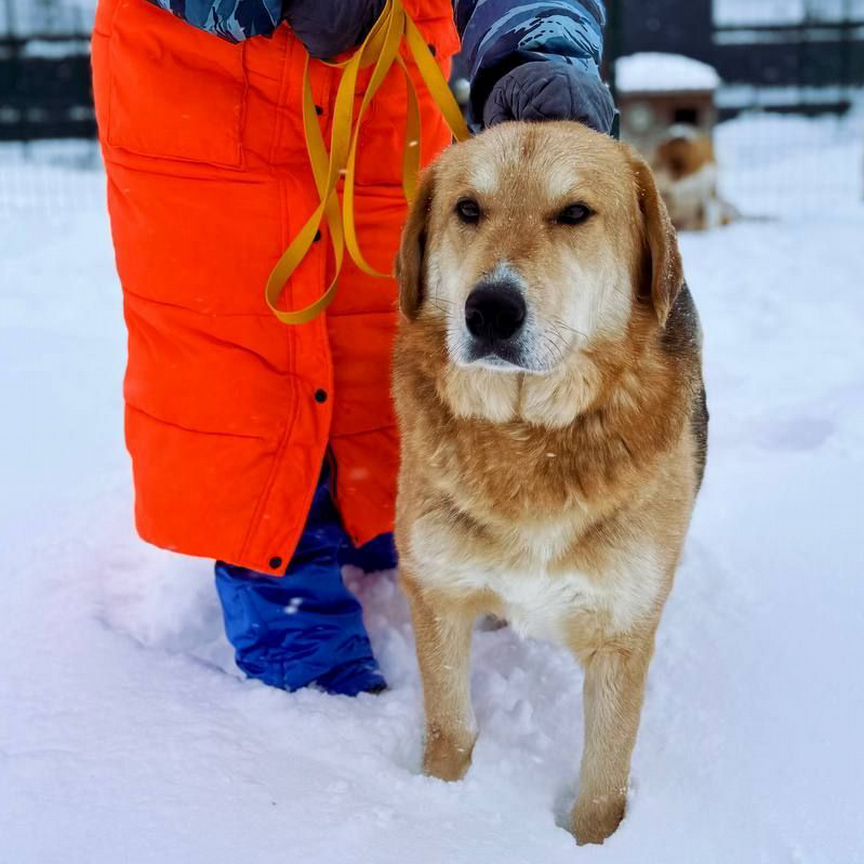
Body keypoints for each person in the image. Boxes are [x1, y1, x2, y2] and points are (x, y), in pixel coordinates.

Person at [91, 0, 614, 696]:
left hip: (385, 86)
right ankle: (292, 608)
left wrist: (538, 45)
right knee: (241, 351)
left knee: (381, 327)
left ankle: (367, 510)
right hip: (207, 94)